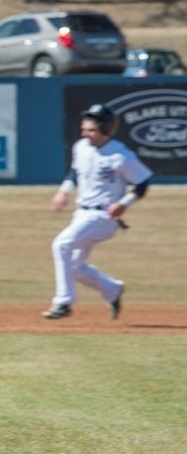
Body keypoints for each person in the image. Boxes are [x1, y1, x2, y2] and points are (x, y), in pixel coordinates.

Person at [43, 103, 152, 320]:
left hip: (104, 216)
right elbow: (75, 172)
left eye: (91, 130)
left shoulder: (120, 155)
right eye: (84, 129)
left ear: (106, 129)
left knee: (61, 244)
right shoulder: (81, 147)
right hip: (81, 214)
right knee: (74, 267)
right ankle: (112, 289)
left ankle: (63, 302)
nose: (85, 134)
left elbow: (143, 182)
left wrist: (125, 203)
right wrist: (63, 192)